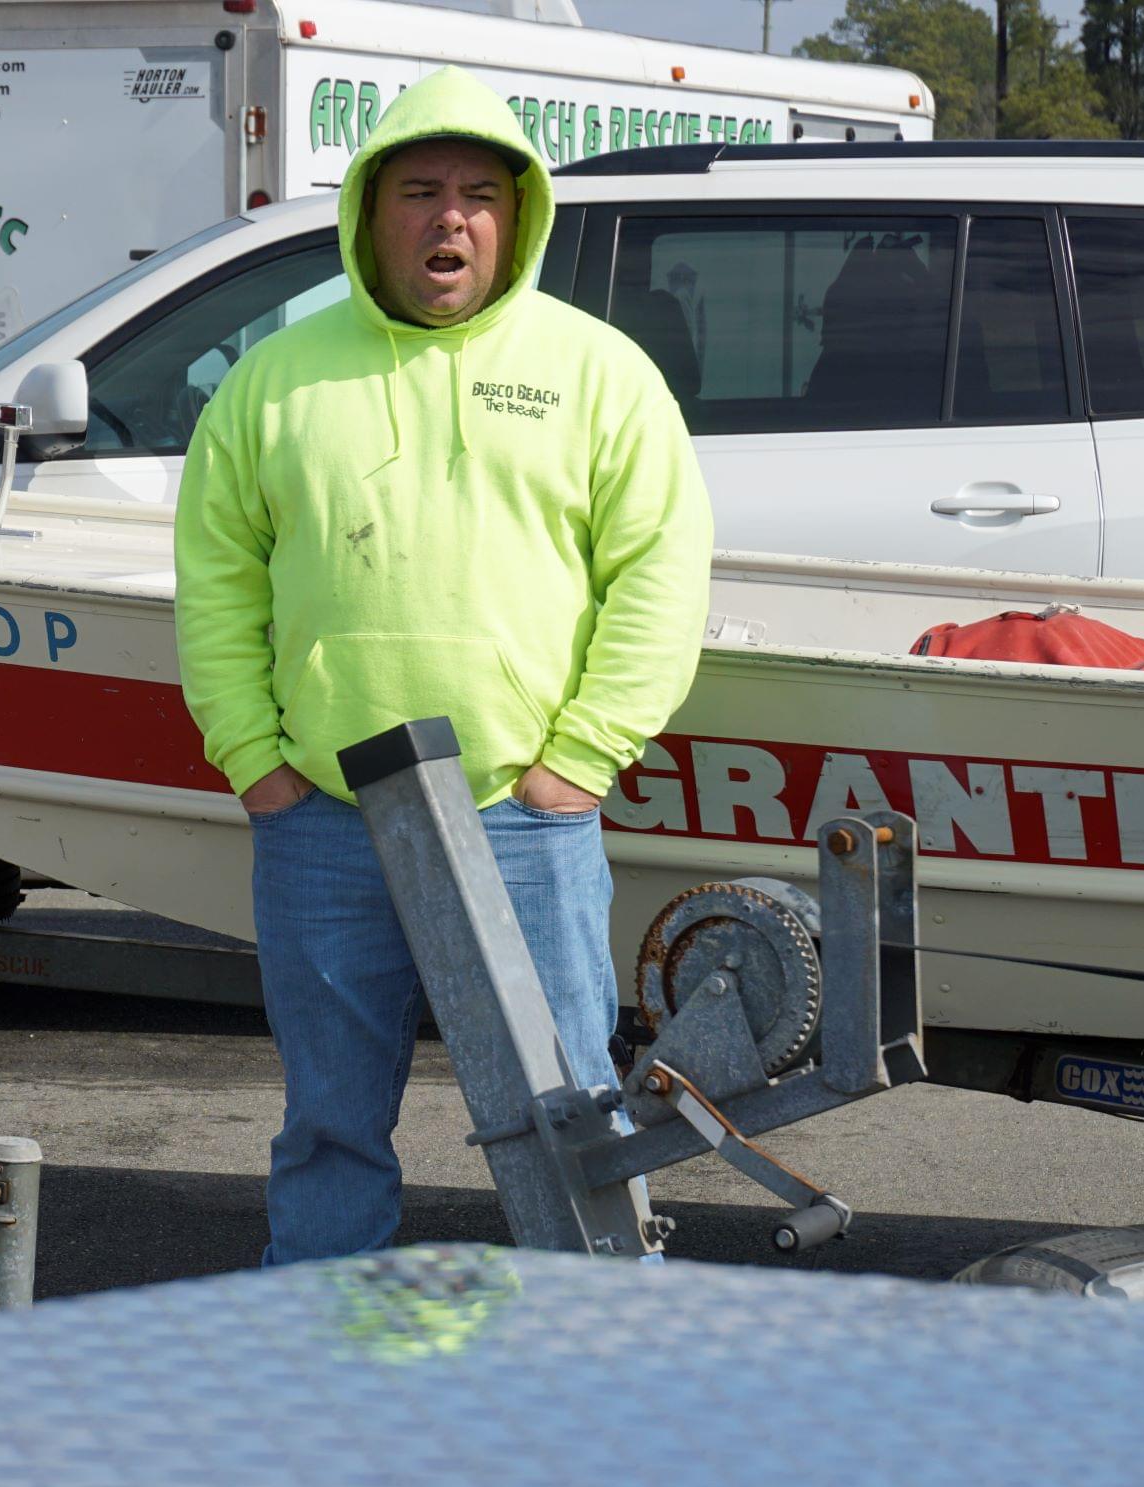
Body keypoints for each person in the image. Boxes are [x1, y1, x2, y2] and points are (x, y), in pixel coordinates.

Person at [172, 69, 713, 1265]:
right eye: (417, 190)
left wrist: (581, 760)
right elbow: (215, 584)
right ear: (369, 212)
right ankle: (320, 1338)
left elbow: (661, 580)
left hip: (523, 816)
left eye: (477, 194)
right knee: (327, 1121)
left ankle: (580, 1341)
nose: (447, 217)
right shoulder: (275, 381)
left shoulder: (599, 373)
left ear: (516, 219)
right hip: (322, 814)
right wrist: (255, 762)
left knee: (566, 1110)